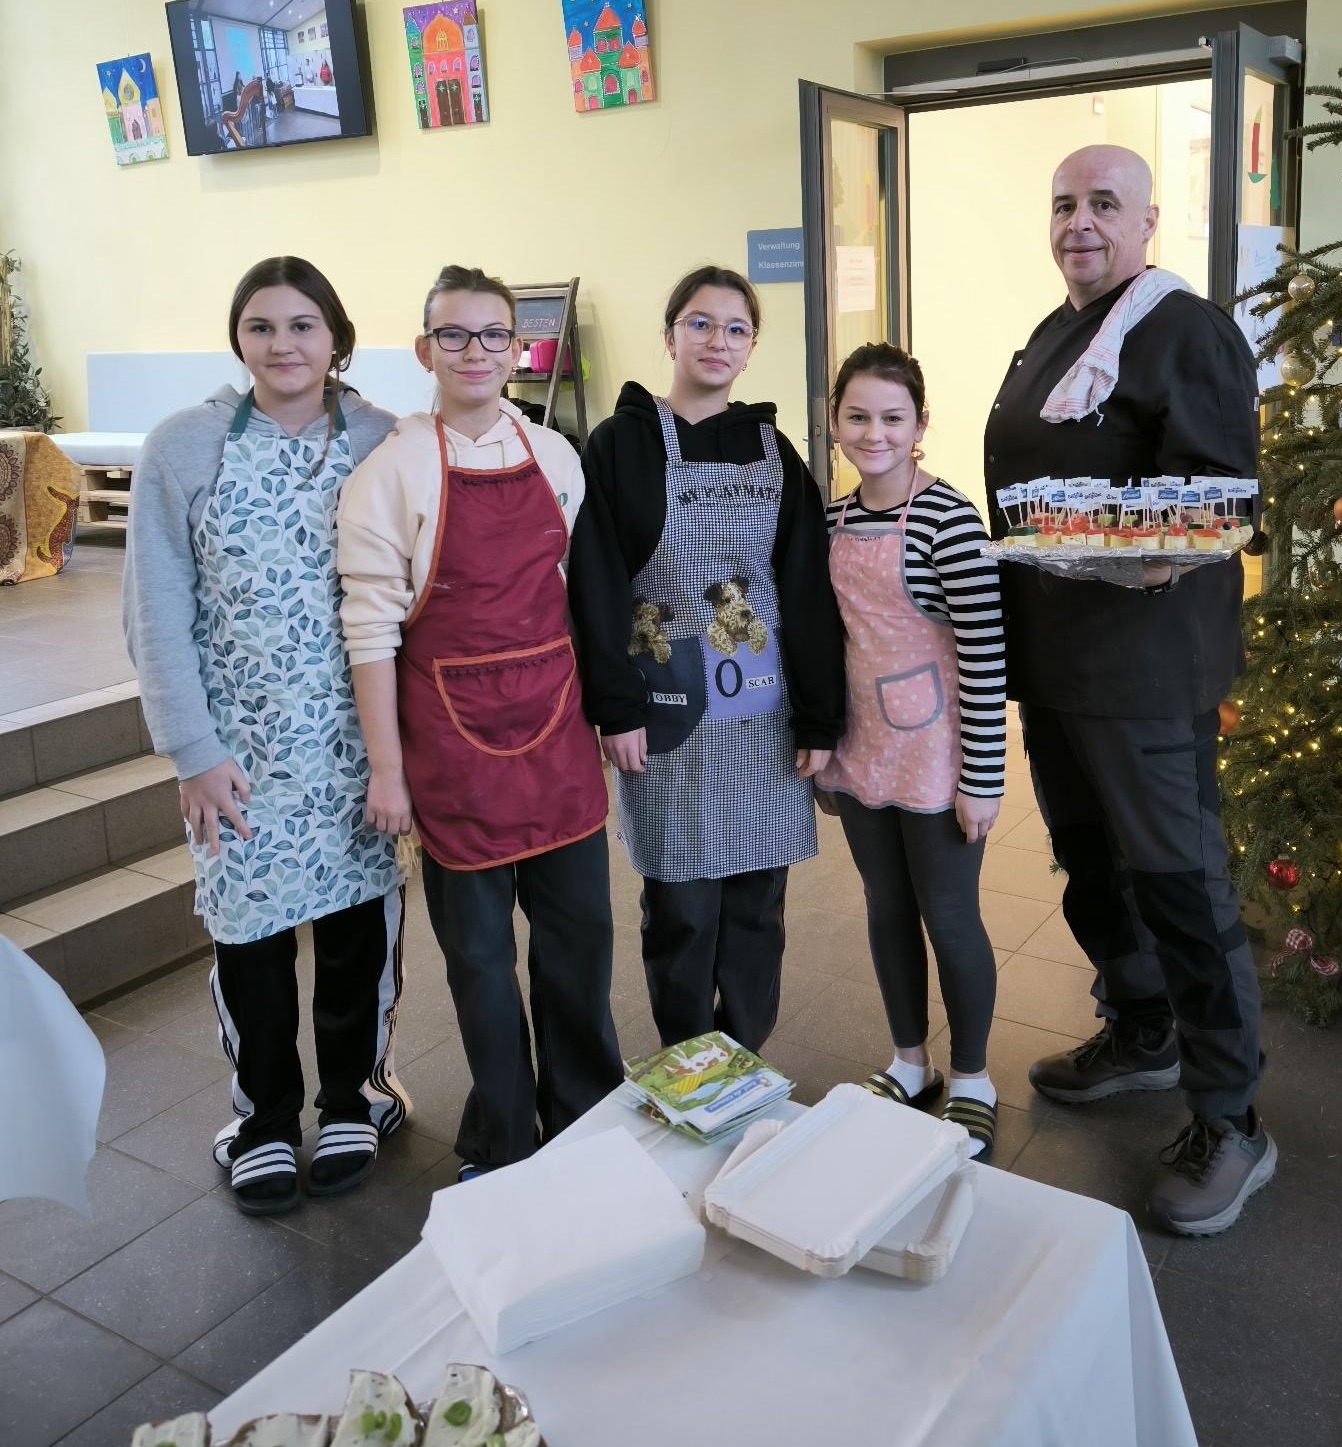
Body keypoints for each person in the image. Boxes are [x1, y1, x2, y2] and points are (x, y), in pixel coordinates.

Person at [984, 144, 1274, 1234]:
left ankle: (1232, 1117)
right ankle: (1142, 1025)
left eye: (1103, 204)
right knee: (1091, 865)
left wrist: (1110, 542)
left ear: (1148, 220)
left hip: (1145, 671)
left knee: (1177, 881)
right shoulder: (1059, 331)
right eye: (1062, 204)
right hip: (1056, 661)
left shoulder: (1180, 329)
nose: (1079, 223)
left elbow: (1217, 505)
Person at [123, 257, 408, 1217]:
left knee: (355, 936)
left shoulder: (381, 439)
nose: (282, 345)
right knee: (248, 940)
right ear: (237, 339)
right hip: (237, 754)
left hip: (357, 745)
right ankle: (265, 1118)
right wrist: (191, 751)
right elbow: (156, 612)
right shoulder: (184, 447)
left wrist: (403, 753)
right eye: (261, 327)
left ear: (337, 337)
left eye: (302, 326)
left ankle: (350, 1100)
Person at [338, 265, 622, 1181]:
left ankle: (583, 1115)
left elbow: (577, 599)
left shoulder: (557, 458)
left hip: (556, 735)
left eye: (492, 335)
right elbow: (372, 629)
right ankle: (504, 1140)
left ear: (518, 348)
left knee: (579, 945)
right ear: (424, 350)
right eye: (453, 336)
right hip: (451, 747)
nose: (474, 352)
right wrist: (389, 770)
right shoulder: (391, 470)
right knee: (480, 965)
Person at [569, 265, 845, 1054]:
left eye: (734, 328)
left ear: (752, 346)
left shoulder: (774, 450)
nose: (716, 340)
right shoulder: (619, 444)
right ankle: (691, 1062)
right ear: (668, 337)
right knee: (683, 907)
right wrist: (614, 706)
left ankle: (744, 1062)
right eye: (699, 323)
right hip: (665, 711)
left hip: (762, 715)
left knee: (758, 909)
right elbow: (594, 585)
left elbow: (806, 589)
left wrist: (821, 715)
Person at [815, 344, 1005, 1158]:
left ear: (921, 425)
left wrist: (983, 777)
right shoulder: (831, 519)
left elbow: (985, 651)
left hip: (937, 753)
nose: (874, 432)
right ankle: (908, 1061)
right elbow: (827, 642)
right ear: (833, 423)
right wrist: (822, 749)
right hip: (862, 747)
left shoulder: (949, 517)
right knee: (886, 908)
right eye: (857, 415)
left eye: (893, 417)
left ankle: (971, 1076)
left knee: (950, 918)